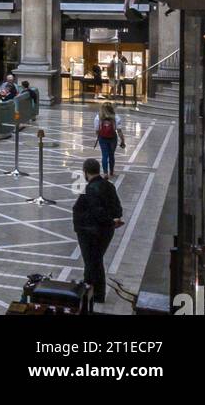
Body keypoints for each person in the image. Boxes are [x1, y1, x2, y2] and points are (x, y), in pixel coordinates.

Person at [72, 157, 123, 305]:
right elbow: (117, 208)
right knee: (93, 261)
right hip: (106, 231)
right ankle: (88, 286)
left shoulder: (90, 189)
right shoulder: (109, 186)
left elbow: (97, 211)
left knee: (93, 261)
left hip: (91, 232)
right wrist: (114, 220)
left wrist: (108, 221)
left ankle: (97, 294)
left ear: (85, 172)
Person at [93, 101, 125, 177]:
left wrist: (100, 136)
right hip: (113, 138)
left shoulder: (98, 117)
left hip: (102, 138)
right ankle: (111, 172)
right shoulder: (116, 117)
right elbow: (119, 131)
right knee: (111, 155)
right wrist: (123, 141)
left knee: (104, 155)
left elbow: (97, 130)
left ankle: (105, 173)